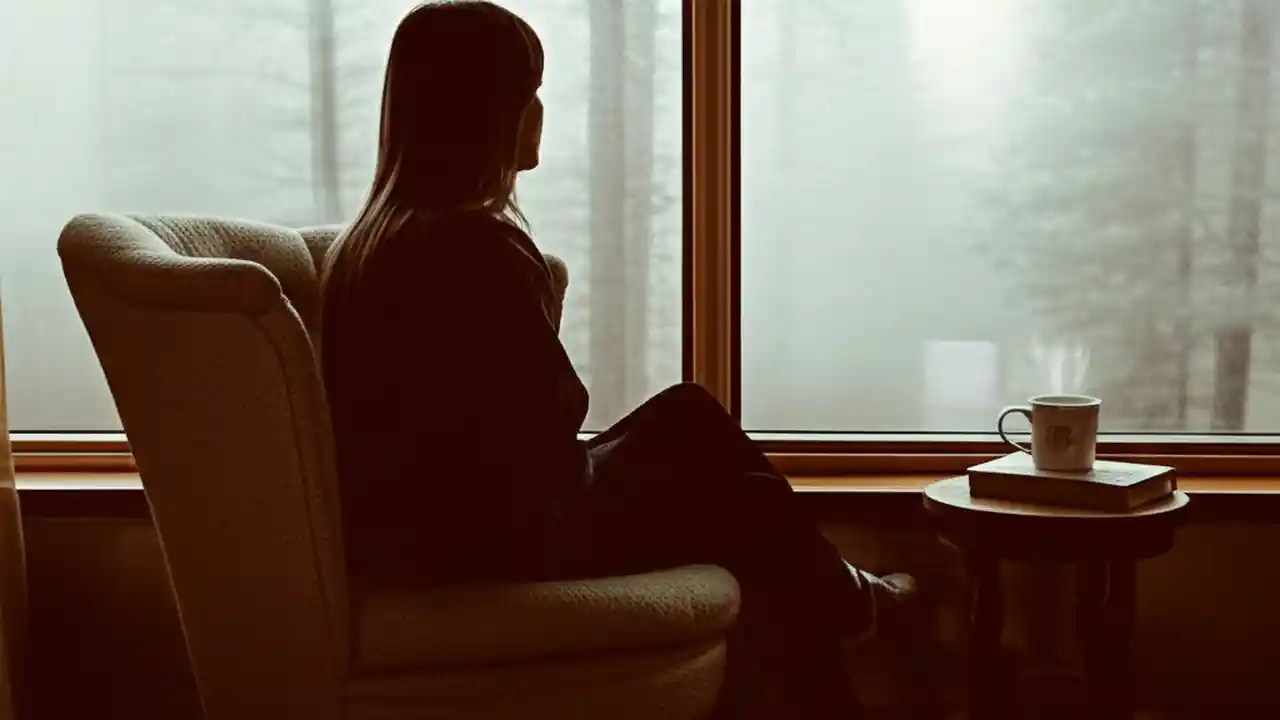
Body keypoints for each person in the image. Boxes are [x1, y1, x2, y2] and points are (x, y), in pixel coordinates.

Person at [320, 2, 918, 716]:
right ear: (487, 112)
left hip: (430, 533)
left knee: (695, 425)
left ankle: (852, 614)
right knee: (731, 488)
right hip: (492, 543)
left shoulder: (367, 245)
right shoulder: (474, 247)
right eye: (526, 93)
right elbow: (548, 431)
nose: (538, 111)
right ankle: (855, 611)